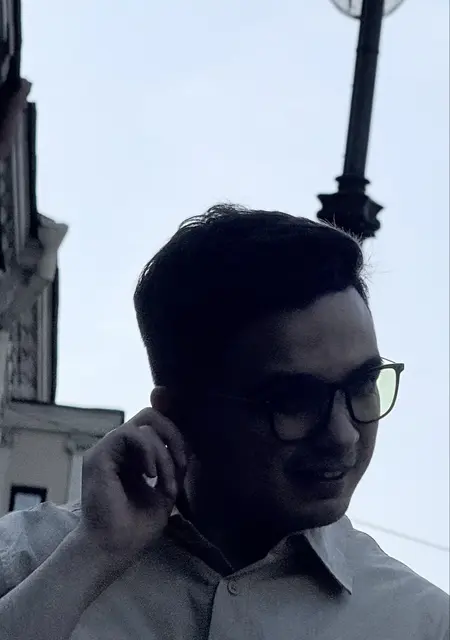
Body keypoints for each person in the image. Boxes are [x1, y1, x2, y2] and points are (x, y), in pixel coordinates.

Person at [0, 204, 448, 640]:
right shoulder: (31, 560)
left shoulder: (423, 623)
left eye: (363, 383)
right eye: (294, 400)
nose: (344, 435)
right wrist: (92, 556)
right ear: (180, 413)